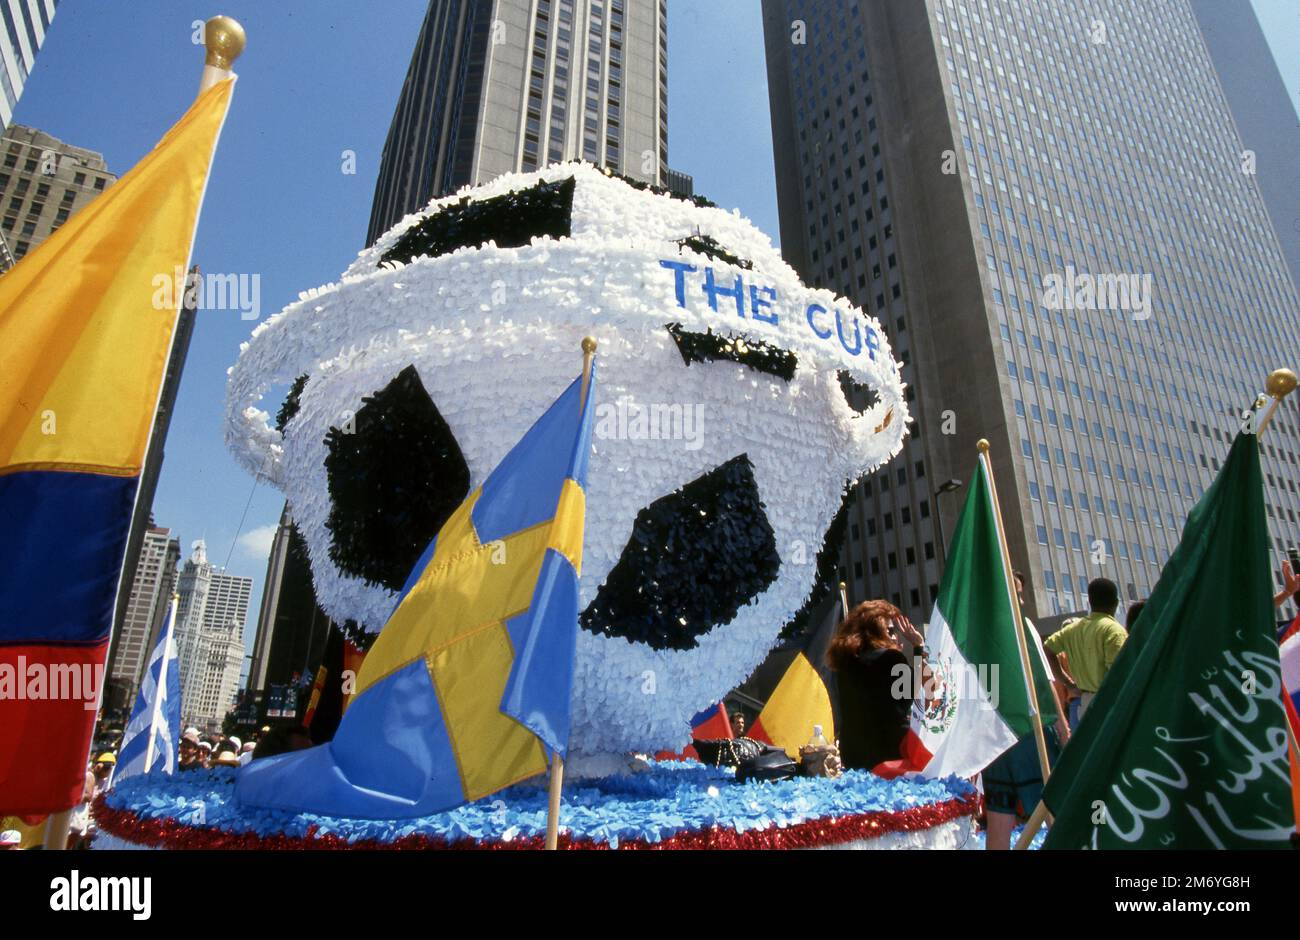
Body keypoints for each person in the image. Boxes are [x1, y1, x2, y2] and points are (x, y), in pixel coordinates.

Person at [982, 572, 1070, 850]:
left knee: (999, 817)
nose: (1021, 599)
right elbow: (1044, 682)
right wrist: (1063, 729)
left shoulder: (976, 630)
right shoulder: (1023, 627)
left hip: (994, 736)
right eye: (1017, 593)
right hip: (1031, 733)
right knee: (1054, 809)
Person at [826, 599, 929, 771]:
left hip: (854, 756)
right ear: (876, 632)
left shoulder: (844, 664)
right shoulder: (892, 658)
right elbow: (915, 697)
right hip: (890, 755)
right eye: (890, 630)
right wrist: (918, 647)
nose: (895, 635)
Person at [1043, 578, 1126, 717]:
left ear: (1090, 602)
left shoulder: (1072, 629)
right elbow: (1120, 673)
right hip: (1111, 704)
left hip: (1085, 704)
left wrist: (1068, 684)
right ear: (1116, 603)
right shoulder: (1114, 630)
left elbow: (1047, 650)